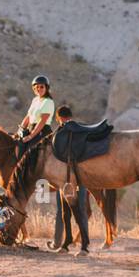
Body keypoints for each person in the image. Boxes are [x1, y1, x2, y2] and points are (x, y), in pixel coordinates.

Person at [50, 104, 92, 255]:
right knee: (70, 211)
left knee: (77, 209)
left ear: (58, 118)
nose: (64, 121)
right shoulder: (72, 132)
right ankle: (68, 242)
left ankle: (84, 243)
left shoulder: (63, 133)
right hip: (74, 178)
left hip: (72, 179)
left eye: (63, 119)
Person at [17, 75, 55, 142]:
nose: (39, 89)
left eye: (42, 87)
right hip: (31, 129)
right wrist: (20, 131)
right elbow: (28, 117)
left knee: (31, 151)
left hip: (42, 132)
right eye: (37, 87)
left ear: (46, 88)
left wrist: (30, 136)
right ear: (34, 89)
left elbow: (42, 121)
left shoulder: (48, 101)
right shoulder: (35, 100)